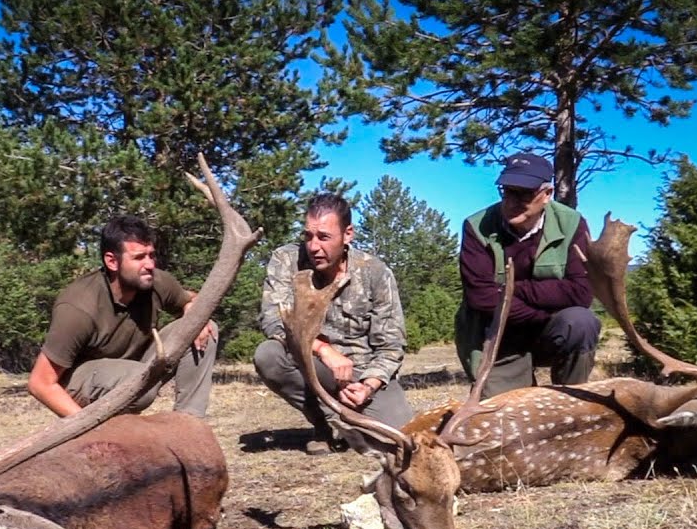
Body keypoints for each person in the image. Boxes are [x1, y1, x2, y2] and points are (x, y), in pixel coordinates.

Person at [254, 193, 414, 455]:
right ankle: (326, 425)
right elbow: (273, 319)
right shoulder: (286, 260)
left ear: (348, 234)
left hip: (362, 374)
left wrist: (368, 385)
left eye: (324, 237)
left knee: (399, 440)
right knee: (269, 355)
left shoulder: (375, 272)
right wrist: (322, 349)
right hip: (314, 365)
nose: (314, 247)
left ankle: (351, 422)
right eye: (308, 236)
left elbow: (391, 344)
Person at [28, 214, 217, 418]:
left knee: (204, 325)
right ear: (112, 261)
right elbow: (40, 384)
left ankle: (189, 423)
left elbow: (193, 298)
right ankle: (113, 430)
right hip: (80, 381)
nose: (150, 265)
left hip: (132, 371)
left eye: (151, 255)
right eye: (138, 257)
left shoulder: (155, 281)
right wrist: (86, 427)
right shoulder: (78, 306)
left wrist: (191, 308)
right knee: (138, 381)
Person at [455, 152, 600, 397]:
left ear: (547, 194)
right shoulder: (476, 226)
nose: (513, 200)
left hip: (550, 328)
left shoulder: (572, 223)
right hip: (497, 334)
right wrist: (544, 308)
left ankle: (573, 398)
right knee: (502, 414)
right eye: (507, 191)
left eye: (524, 193)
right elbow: (482, 299)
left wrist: (512, 290)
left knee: (580, 321)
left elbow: (582, 293)